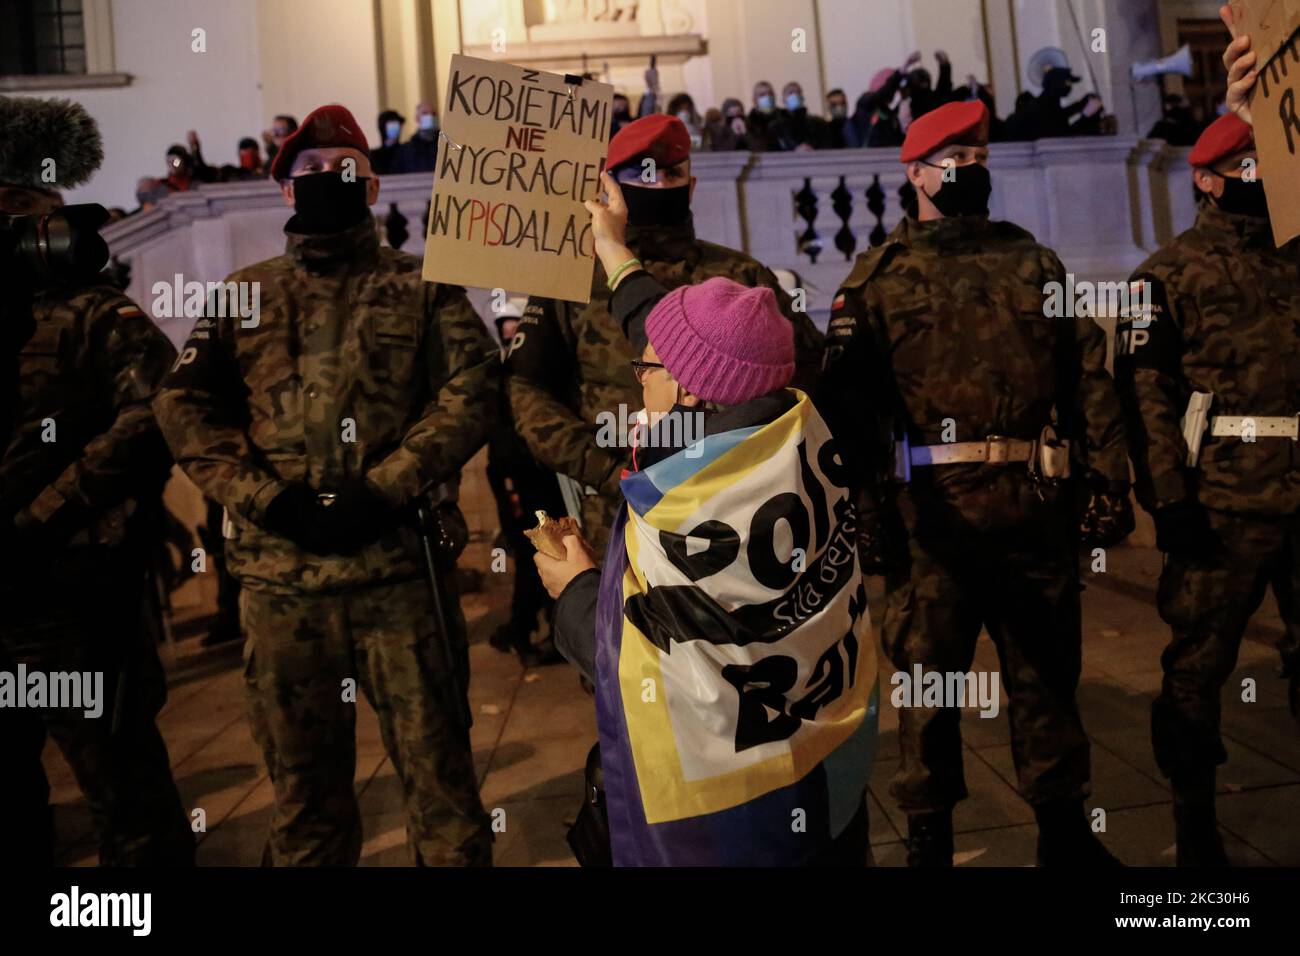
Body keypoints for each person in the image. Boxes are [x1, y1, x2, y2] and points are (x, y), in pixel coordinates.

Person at [153, 104, 499, 867]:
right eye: (309, 171)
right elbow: (182, 405)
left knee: (443, 793)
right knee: (306, 803)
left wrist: (386, 488)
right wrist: (266, 498)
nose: (327, 180)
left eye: (345, 168)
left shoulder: (425, 287)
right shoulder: (245, 294)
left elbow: (473, 388)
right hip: (283, 587)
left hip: (401, 576)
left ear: (371, 186)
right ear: (284, 191)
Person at [821, 100, 1133, 868]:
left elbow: (1088, 376)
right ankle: (930, 839)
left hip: (1032, 511)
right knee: (928, 688)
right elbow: (852, 416)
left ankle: (1064, 835)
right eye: (953, 155)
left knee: (1048, 678)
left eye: (979, 153)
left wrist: (1107, 478)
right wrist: (866, 514)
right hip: (931, 526)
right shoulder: (876, 281)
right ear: (917, 173)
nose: (970, 167)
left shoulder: (1035, 263)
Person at [535, 171, 878, 866]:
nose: (638, 378)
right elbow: (684, 337)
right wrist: (613, 248)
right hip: (827, 768)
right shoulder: (795, 426)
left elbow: (628, 663)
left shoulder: (693, 506)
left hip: (729, 812)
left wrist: (573, 586)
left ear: (690, 390)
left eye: (646, 369)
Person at [0, 96, 194, 866]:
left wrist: (42, 515)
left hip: (67, 590)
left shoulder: (94, 315)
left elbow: (154, 417)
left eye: (16, 208)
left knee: (117, 779)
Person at [506, 114, 823, 558]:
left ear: (691, 187)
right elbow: (526, 389)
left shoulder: (743, 278)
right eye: (642, 174)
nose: (658, 185)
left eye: (672, 173)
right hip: (615, 512)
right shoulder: (571, 279)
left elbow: (805, 384)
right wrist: (611, 472)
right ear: (608, 187)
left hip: (735, 510)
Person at [1114, 111, 1299, 867]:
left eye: (1267, 163)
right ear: (1207, 178)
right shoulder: (1165, 275)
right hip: (1222, 505)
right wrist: (1170, 502)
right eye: (1244, 166)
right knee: (1197, 669)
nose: (1258, 178)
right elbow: (1145, 396)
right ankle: (1195, 824)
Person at [485, 312, 566, 668]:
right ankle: (529, 631)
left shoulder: (531, 368)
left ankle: (526, 630)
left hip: (531, 475)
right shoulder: (509, 371)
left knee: (542, 552)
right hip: (518, 476)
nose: (509, 331)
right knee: (535, 553)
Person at [394, 102, 439, 173]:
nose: (430, 116)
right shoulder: (406, 150)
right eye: (425, 113)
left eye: (433, 114)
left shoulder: (446, 146)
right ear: (417, 118)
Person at [370, 109, 405, 175]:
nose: (396, 126)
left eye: (398, 123)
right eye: (392, 122)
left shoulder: (406, 152)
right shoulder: (374, 156)